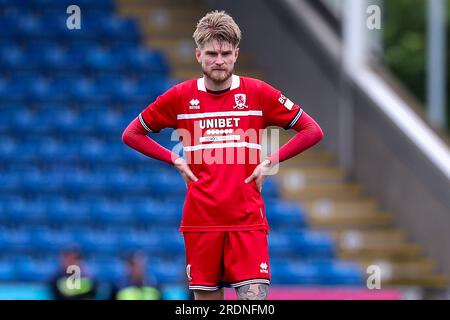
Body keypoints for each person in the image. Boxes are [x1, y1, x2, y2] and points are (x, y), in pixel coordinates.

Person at [122, 10, 324, 300]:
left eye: (226, 53)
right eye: (212, 53)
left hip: (247, 223)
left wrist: (269, 162)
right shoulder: (180, 97)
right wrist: (174, 159)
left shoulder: (258, 93)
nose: (219, 60)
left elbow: (311, 130)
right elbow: (131, 134)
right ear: (198, 55)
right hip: (201, 224)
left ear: (236, 54)